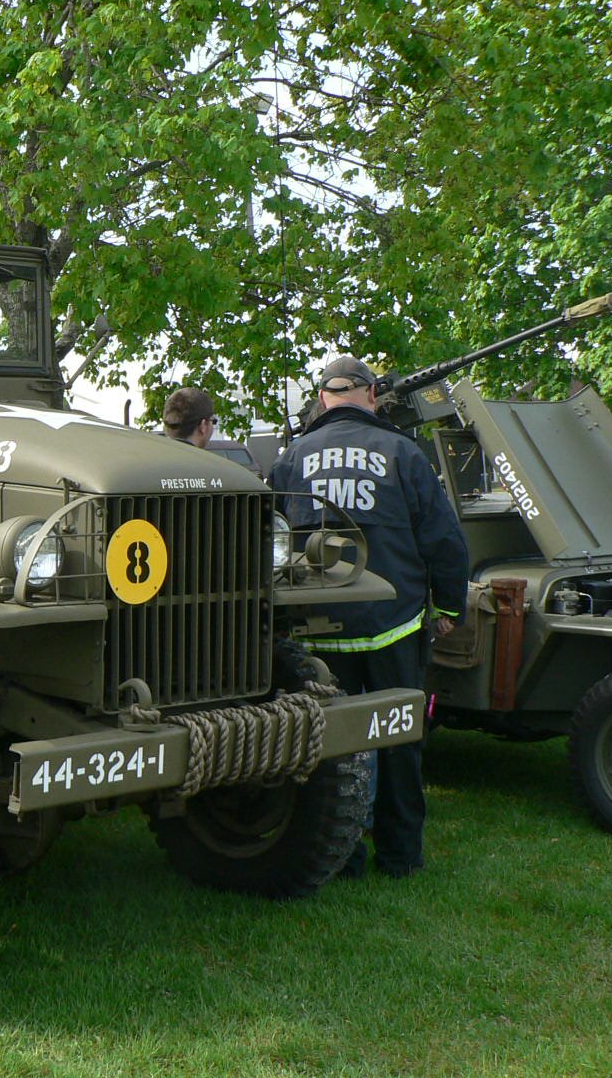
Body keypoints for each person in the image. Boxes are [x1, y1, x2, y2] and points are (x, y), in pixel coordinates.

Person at [269, 354, 470, 878]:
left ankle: (343, 858)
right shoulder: (404, 454)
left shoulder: (290, 460)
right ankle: (401, 856)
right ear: (373, 397)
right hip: (393, 628)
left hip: (317, 633)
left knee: (324, 749)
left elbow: (268, 543)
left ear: (322, 400)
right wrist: (449, 607)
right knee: (398, 738)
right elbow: (445, 540)